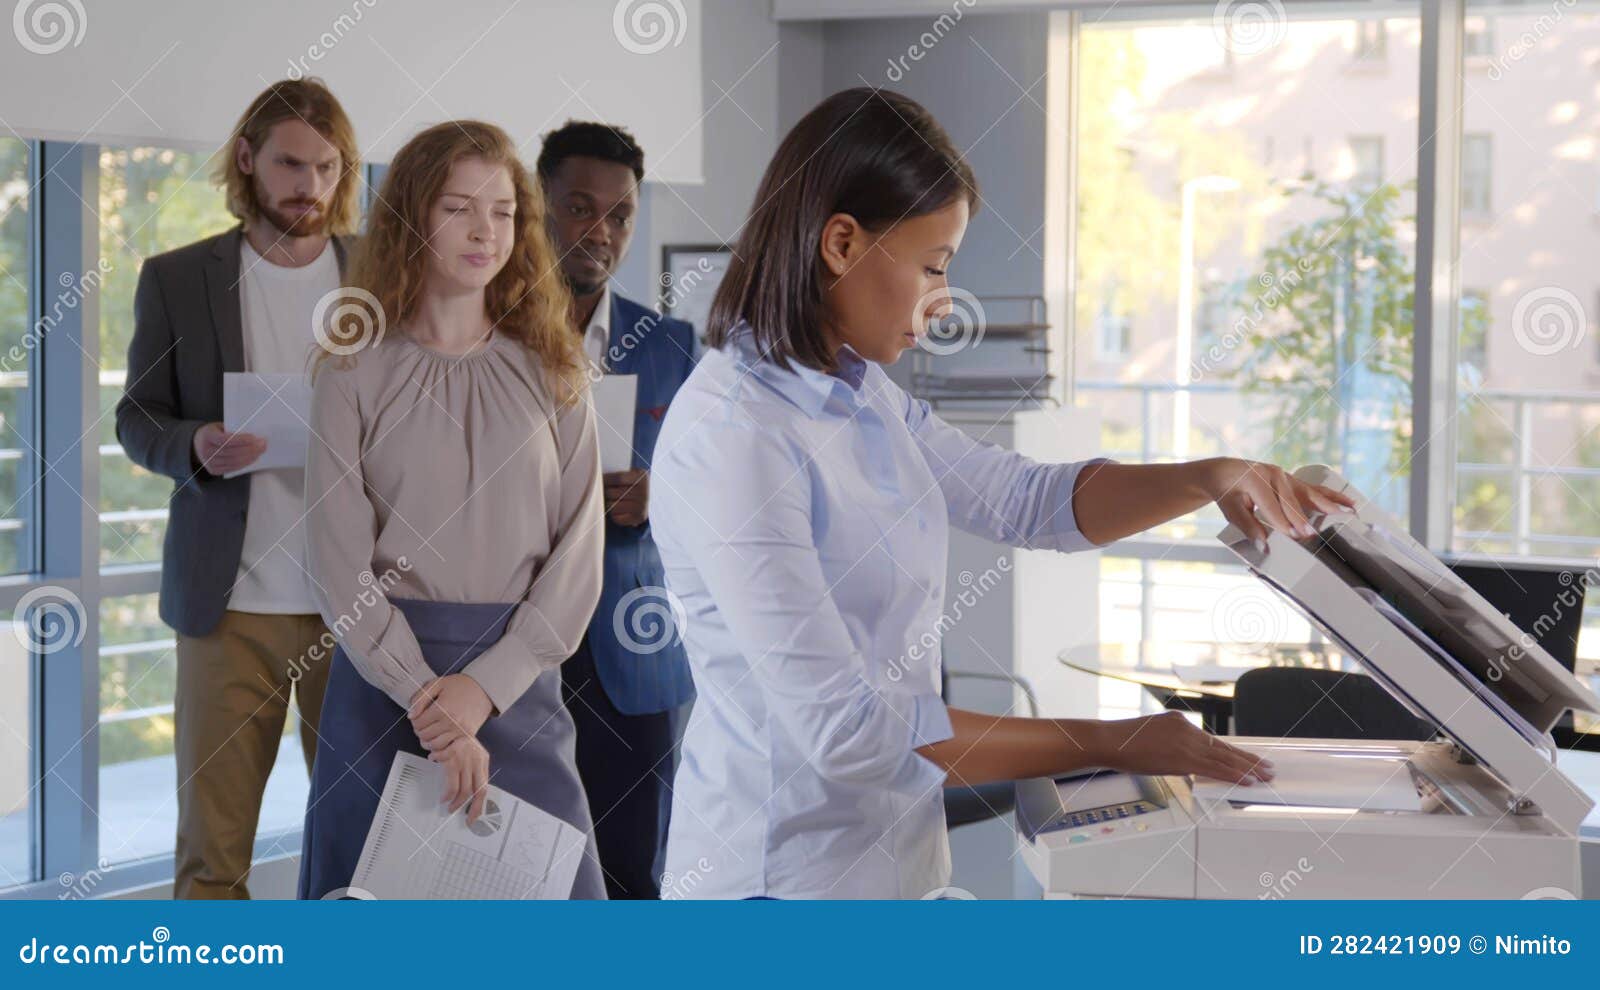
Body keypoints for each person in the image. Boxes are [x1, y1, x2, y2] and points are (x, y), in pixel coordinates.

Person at [649, 87, 1356, 900]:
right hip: (779, 882)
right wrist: (1112, 741)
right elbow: (846, 734)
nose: (943, 299)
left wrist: (1209, 477)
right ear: (840, 242)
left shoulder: (858, 389)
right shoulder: (736, 434)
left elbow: (1028, 501)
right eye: (933, 264)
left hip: (895, 866)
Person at [296, 120, 606, 900]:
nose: (484, 231)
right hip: (382, 688)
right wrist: (429, 703)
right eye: (458, 207)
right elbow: (338, 568)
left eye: (502, 211)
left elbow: (578, 562)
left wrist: (480, 693)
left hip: (520, 688)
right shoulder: (350, 374)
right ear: (410, 217)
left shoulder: (556, 371)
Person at [113, 78, 361, 899]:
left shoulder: (380, 273)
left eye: (329, 168)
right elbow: (136, 416)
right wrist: (195, 444)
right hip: (228, 610)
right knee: (212, 861)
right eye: (293, 164)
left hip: (358, 608)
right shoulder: (178, 278)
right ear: (249, 161)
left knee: (359, 853)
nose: (312, 188)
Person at [537, 120, 697, 900]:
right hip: (511, 644)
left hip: (632, 651)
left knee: (632, 876)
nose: (601, 231)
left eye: (621, 214)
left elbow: (720, 493)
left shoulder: (670, 345)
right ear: (538, 205)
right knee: (518, 875)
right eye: (578, 207)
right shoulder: (483, 333)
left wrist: (662, 499)